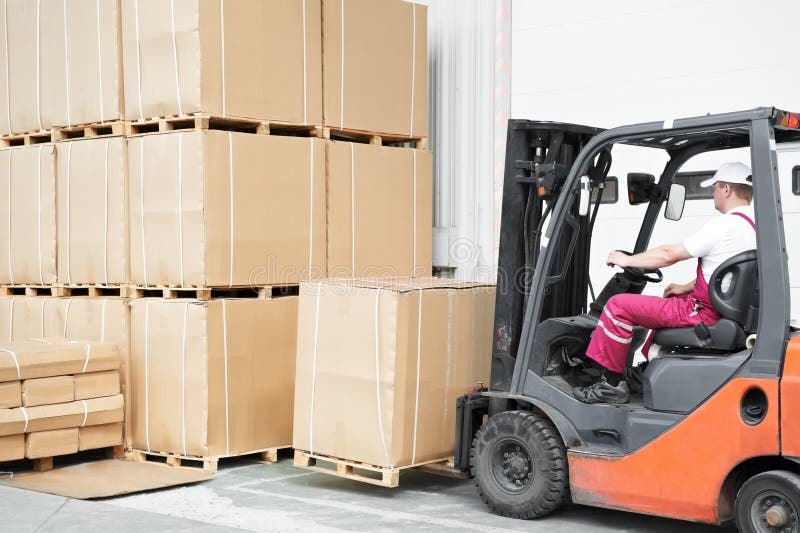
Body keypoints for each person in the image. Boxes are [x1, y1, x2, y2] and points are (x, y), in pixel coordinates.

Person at [574, 162, 757, 404]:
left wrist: (626, 259)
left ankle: (611, 384)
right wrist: (686, 287)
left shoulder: (724, 225)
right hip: (723, 312)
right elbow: (730, 274)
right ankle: (646, 369)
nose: (712, 193)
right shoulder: (754, 226)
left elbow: (669, 254)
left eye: (714, 188)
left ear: (726, 189)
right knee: (672, 296)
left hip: (704, 313)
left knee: (618, 306)